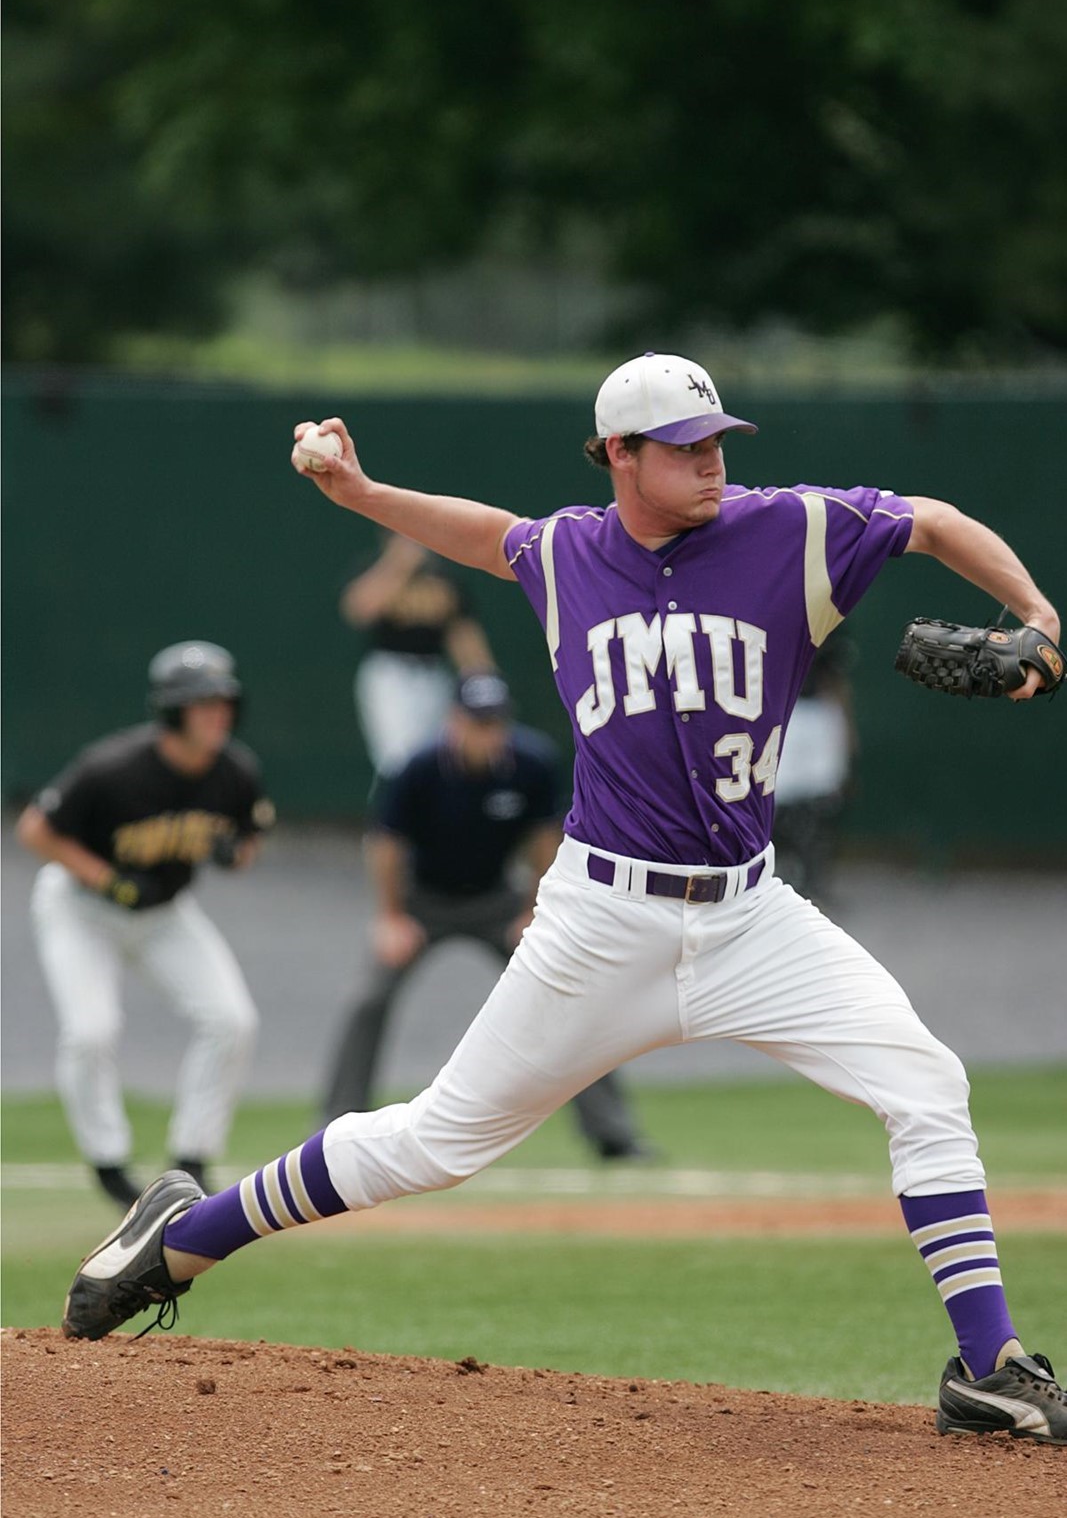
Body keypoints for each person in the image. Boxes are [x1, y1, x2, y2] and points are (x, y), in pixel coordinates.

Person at [62, 354, 1064, 1447]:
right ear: (617, 456)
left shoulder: (792, 529)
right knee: (433, 1145)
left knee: (924, 1084)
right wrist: (359, 494)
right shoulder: (566, 552)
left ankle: (987, 1365)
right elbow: (481, 532)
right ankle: (175, 1238)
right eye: (683, 445)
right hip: (601, 919)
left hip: (750, 915)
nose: (710, 459)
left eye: (716, 437)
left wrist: (1033, 612)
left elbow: (929, 518)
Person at [321, 668, 651, 1160]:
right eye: (477, 723)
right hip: (423, 901)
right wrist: (390, 917)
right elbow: (386, 844)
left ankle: (612, 1133)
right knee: (368, 999)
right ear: (454, 722)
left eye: (495, 723)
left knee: (570, 992)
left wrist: (533, 912)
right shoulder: (417, 768)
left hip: (498, 899)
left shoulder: (531, 763)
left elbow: (546, 842)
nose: (487, 734)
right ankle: (331, 1131)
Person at [18, 641, 273, 1207]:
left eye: (223, 702)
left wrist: (236, 853)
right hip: (81, 909)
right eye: (201, 703)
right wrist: (105, 878)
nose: (217, 714)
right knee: (91, 1031)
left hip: (164, 914)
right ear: (171, 711)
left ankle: (191, 1157)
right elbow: (36, 828)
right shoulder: (112, 769)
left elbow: (247, 840)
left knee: (232, 1020)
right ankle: (109, 1163)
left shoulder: (235, 772)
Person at [340, 530, 495, 780]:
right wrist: (399, 565)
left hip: (434, 674)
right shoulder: (374, 569)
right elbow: (359, 610)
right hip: (389, 674)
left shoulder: (444, 578)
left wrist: (484, 676)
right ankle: (397, 814)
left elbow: (464, 636)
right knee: (396, 760)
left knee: (437, 755)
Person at [772, 627, 857, 905]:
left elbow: (837, 682)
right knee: (779, 802)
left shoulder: (834, 627)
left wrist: (846, 731)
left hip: (821, 715)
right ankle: (782, 877)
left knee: (822, 802)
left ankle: (814, 880)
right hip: (789, 713)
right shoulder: (777, 618)